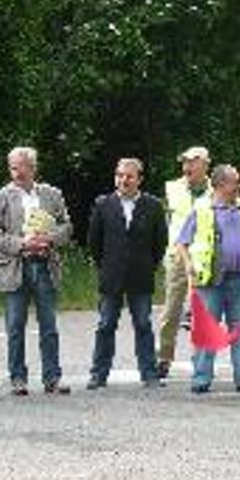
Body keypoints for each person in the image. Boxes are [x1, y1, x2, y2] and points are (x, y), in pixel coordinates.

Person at [0, 147, 73, 396]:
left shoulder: (52, 194)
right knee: (15, 326)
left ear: (33, 168)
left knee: (49, 325)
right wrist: (22, 244)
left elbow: (66, 226)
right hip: (16, 266)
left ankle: (52, 378)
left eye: (22, 166)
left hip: (45, 264)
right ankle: (18, 378)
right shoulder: (0, 196)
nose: (17, 171)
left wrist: (50, 239)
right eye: (13, 167)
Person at [176, 164, 240, 394]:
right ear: (221, 185)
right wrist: (189, 265)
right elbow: (182, 241)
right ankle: (201, 378)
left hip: (239, 277)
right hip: (211, 279)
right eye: (235, 182)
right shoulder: (202, 209)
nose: (239, 187)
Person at [86, 158, 168, 389]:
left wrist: (149, 265)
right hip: (111, 275)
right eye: (120, 175)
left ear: (139, 179)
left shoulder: (153, 205)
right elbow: (94, 242)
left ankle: (149, 373)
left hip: (140, 275)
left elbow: (160, 243)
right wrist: (105, 266)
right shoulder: (103, 204)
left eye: (129, 176)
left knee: (143, 324)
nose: (124, 180)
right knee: (105, 325)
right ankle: (98, 374)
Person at [156, 146, 212, 379]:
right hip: (177, 254)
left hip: (203, 254)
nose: (187, 166)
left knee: (200, 310)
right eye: (184, 162)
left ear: (205, 165)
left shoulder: (215, 189)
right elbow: (166, 220)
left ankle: (199, 359)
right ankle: (163, 357)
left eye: (192, 162)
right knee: (171, 309)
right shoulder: (173, 187)